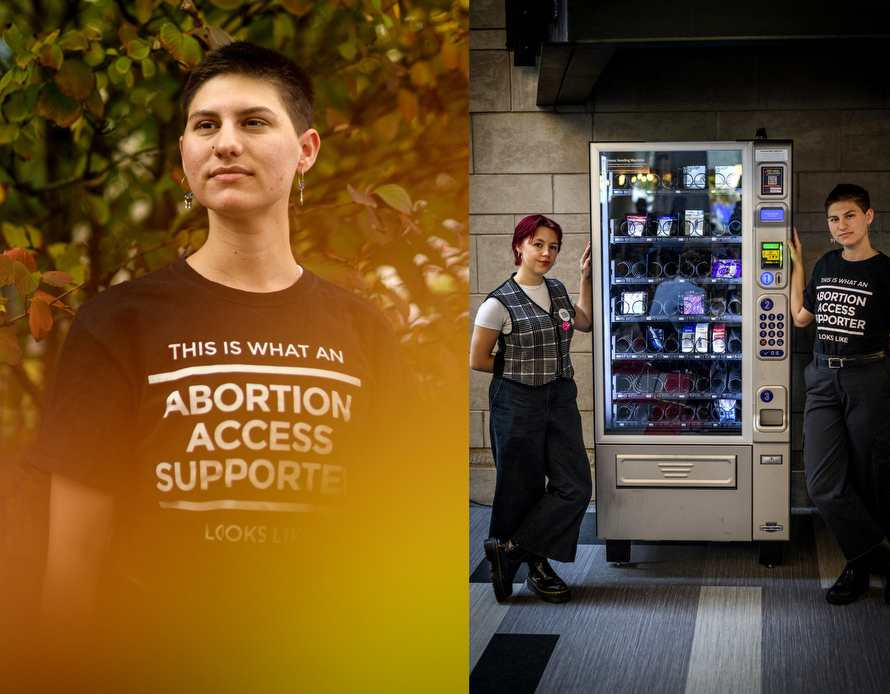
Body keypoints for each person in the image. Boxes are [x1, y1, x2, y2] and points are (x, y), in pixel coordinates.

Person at [29, 41, 420, 690]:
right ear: (184, 154)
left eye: (254, 121)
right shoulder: (117, 323)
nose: (225, 142)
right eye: (205, 125)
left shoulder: (362, 333)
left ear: (307, 150)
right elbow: (70, 562)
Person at [789, 183, 890, 605]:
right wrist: (797, 265)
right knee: (822, 482)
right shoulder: (827, 264)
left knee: (870, 478)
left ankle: (858, 568)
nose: (841, 225)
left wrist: (876, 350)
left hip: (869, 381)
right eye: (834, 219)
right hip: (823, 381)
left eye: (849, 215)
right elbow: (799, 318)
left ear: (868, 217)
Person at [469, 215, 594, 604]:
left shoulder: (556, 290)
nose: (546, 253)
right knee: (520, 489)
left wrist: (584, 278)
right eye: (538, 244)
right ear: (520, 246)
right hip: (516, 400)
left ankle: (509, 551)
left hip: (560, 399)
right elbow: (477, 359)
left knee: (574, 486)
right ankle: (537, 567)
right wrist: (523, 371)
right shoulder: (497, 303)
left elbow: (585, 322)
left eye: (553, 246)